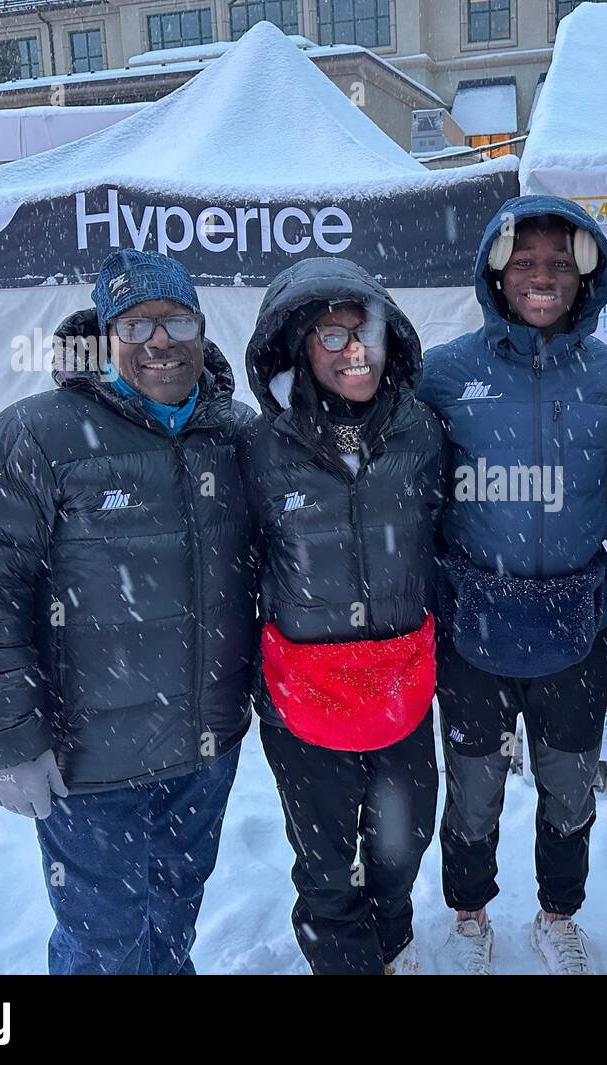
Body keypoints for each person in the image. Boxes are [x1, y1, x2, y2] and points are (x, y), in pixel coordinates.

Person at [0, 249, 257, 974]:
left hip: (204, 746)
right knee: (103, 939)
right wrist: (8, 741)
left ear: (203, 330)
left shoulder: (234, 434)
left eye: (176, 319)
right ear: (104, 334)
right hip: (88, 759)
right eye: (136, 322)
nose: (159, 340)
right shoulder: (35, 435)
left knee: (175, 914)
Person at [417, 195, 607, 974]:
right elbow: (413, 497)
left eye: (557, 263)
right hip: (474, 621)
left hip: (576, 625)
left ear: (585, 276)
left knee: (569, 785)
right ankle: (470, 912)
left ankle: (557, 914)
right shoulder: (446, 374)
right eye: (525, 262)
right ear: (496, 272)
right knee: (474, 786)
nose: (541, 276)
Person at [241, 258, 445, 975]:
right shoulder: (256, 449)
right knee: (327, 858)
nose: (355, 350)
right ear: (297, 344)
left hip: (399, 680)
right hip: (303, 692)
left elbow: (445, 538)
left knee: (405, 836)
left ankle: (390, 941)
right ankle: (346, 960)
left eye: (369, 331)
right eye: (333, 335)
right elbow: (238, 566)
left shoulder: (422, 431)